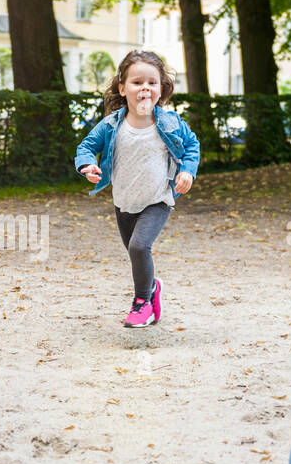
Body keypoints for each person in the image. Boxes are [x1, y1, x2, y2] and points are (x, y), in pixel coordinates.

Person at [74, 49, 200, 327]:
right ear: (123, 88)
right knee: (134, 252)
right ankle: (152, 287)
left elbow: (191, 145)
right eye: (137, 82)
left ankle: (142, 303)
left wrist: (188, 171)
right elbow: (86, 147)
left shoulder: (169, 123)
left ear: (161, 89)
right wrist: (87, 166)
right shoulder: (111, 125)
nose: (145, 88)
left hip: (158, 199)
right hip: (125, 203)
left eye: (152, 83)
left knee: (139, 246)